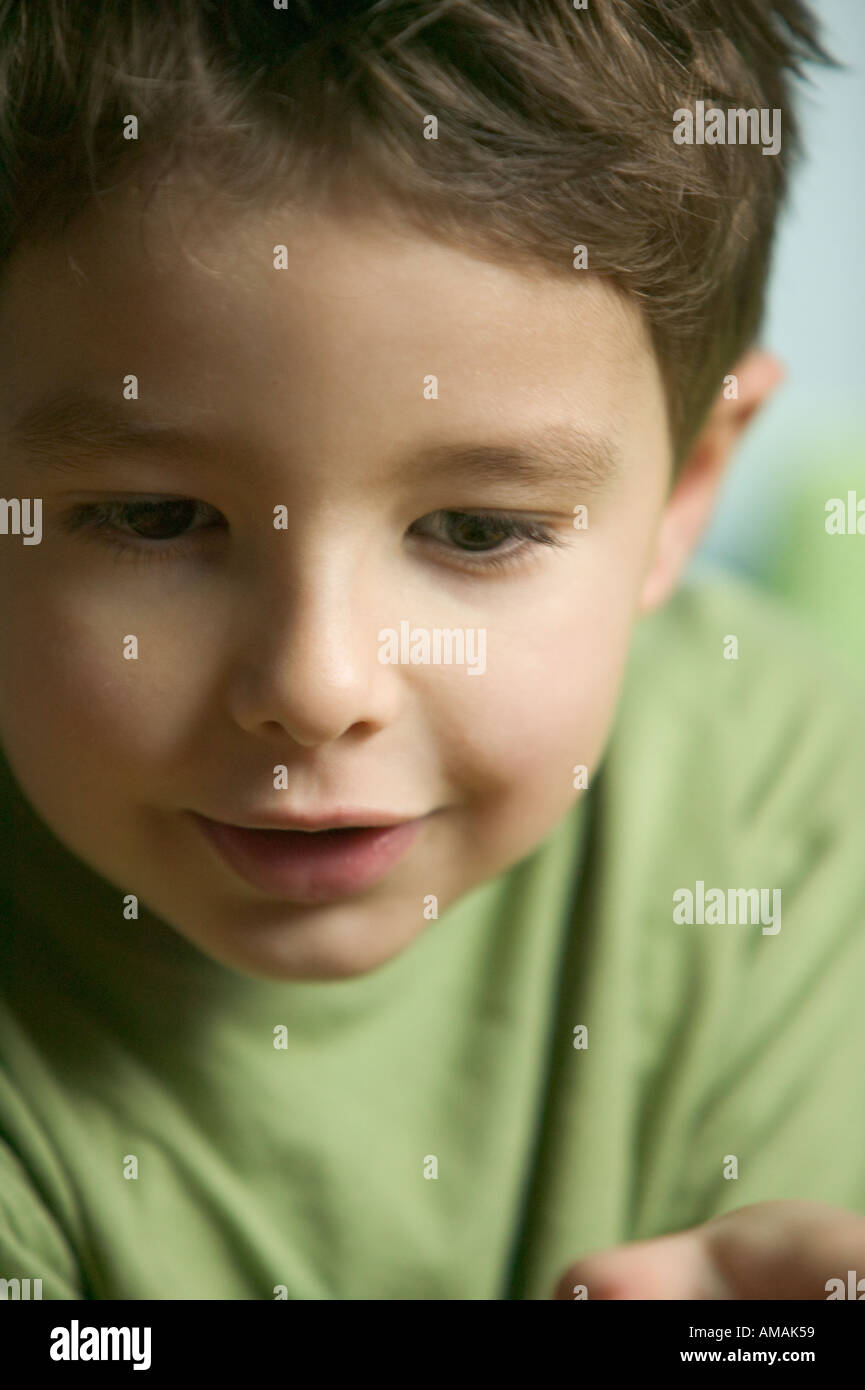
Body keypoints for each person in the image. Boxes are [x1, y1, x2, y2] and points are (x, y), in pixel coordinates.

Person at [0, 0, 863, 1301]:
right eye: (152, 516)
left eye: (475, 529)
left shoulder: (791, 802)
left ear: (683, 495)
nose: (316, 686)